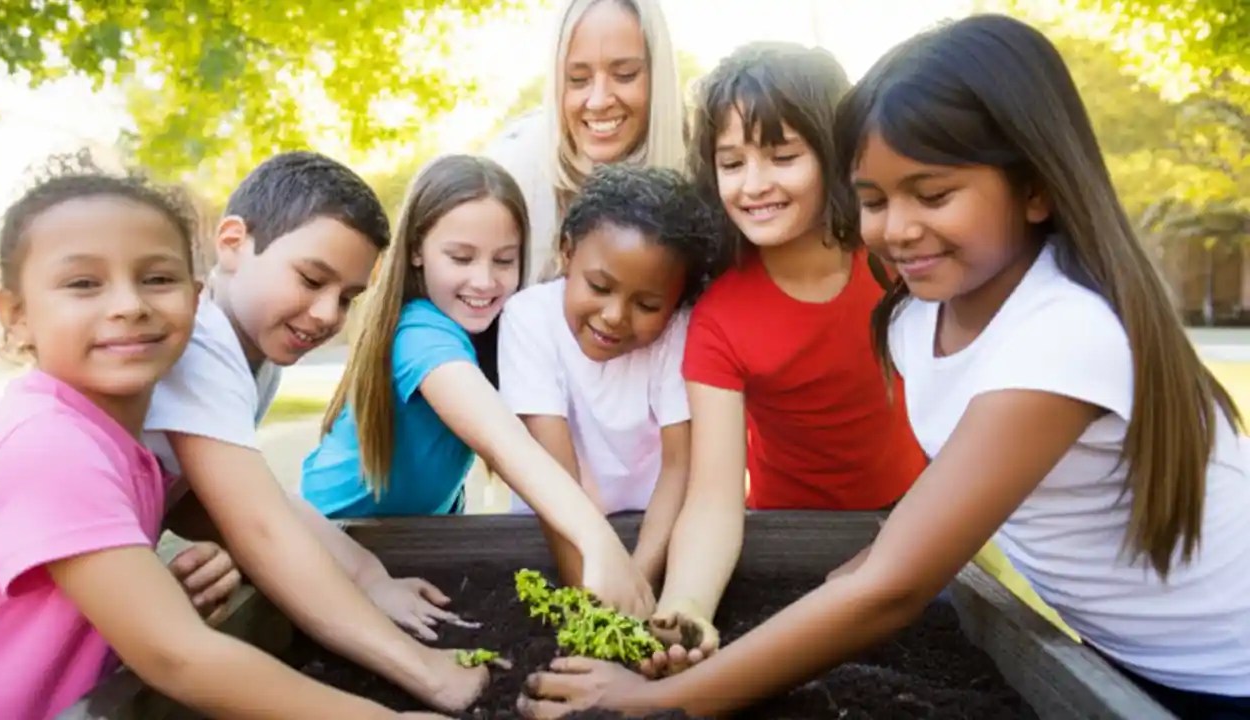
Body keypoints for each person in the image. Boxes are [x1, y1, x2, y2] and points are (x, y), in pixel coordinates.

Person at [517, 16, 1250, 720]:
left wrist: (651, 701)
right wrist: (712, 606)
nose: (897, 228)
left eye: (931, 195)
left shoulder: (1063, 335)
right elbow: (866, 535)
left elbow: (893, 589)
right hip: (1119, 661)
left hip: (1226, 674)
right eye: (875, 199)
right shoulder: (917, 309)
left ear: (1036, 187)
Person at [0, 158, 408, 719]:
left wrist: (154, 589)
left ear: (194, 298)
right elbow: (180, 658)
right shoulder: (46, 445)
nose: (130, 305)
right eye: (83, 283)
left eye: (157, 279)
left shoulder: (125, 450)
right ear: (16, 316)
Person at [141, 151, 488, 714]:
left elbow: (225, 503)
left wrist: (367, 577)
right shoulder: (202, 347)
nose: (328, 313)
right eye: (311, 279)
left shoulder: (260, 357)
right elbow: (262, 531)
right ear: (233, 243)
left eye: (348, 297)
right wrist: (423, 669)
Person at [641, 41, 926, 666]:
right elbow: (715, 495)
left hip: (916, 528)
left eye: (783, 156)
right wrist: (687, 602)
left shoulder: (896, 264)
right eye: (732, 161)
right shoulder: (720, 317)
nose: (754, 184)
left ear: (834, 155)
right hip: (788, 541)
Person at [301, 154, 655, 618]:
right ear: (416, 251)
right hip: (330, 535)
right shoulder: (418, 332)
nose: (485, 281)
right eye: (461, 258)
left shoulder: (495, 332)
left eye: (504, 260)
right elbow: (502, 441)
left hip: (412, 539)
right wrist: (599, 542)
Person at [498, 164, 719, 591]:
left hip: (650, 530)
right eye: (599, 287)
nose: (615, 316)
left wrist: (638, 579)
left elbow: (680, 466)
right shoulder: (529, 319)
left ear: (675, 303)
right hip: (550, 530)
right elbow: (554, 474)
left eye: (648, 305)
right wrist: (590, 599)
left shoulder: (679, 331)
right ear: (566, 252)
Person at [485, 0, 687, 284]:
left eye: (625, 75)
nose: (599, 100)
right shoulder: (513, 174)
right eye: (578, 79)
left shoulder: (705, 173)